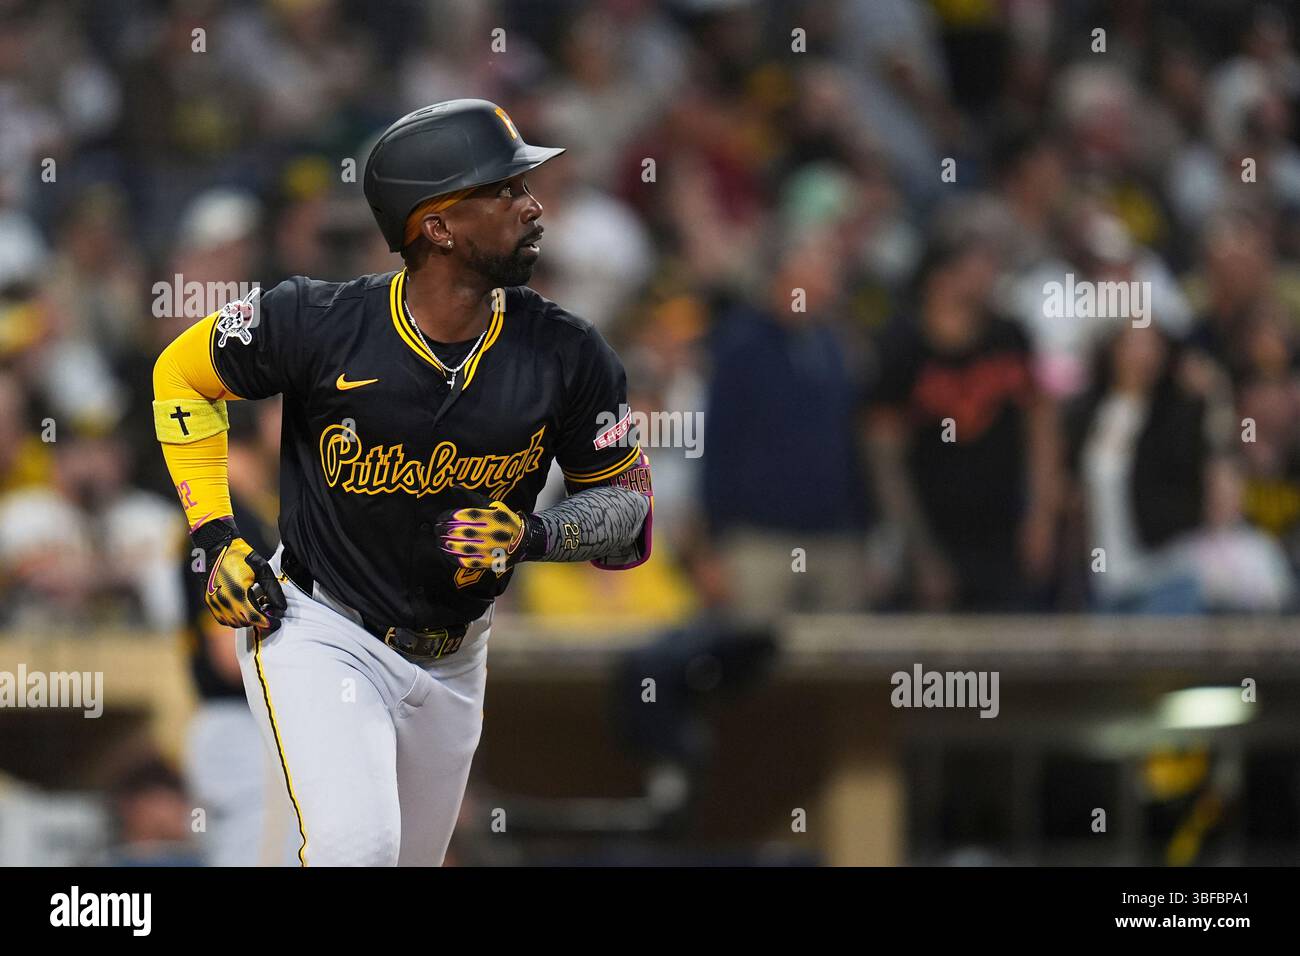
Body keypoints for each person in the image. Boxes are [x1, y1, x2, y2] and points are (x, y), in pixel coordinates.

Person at [151, 99, 654, 866]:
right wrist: (216, 536)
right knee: (360, 848)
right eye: (506, 190)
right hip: (321, 630)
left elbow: (629, 509)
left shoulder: (567, 352)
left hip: (456, 658)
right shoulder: (317, 322)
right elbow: (181, 376)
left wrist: (535, 535)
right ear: (437, 227)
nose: (533, 205)